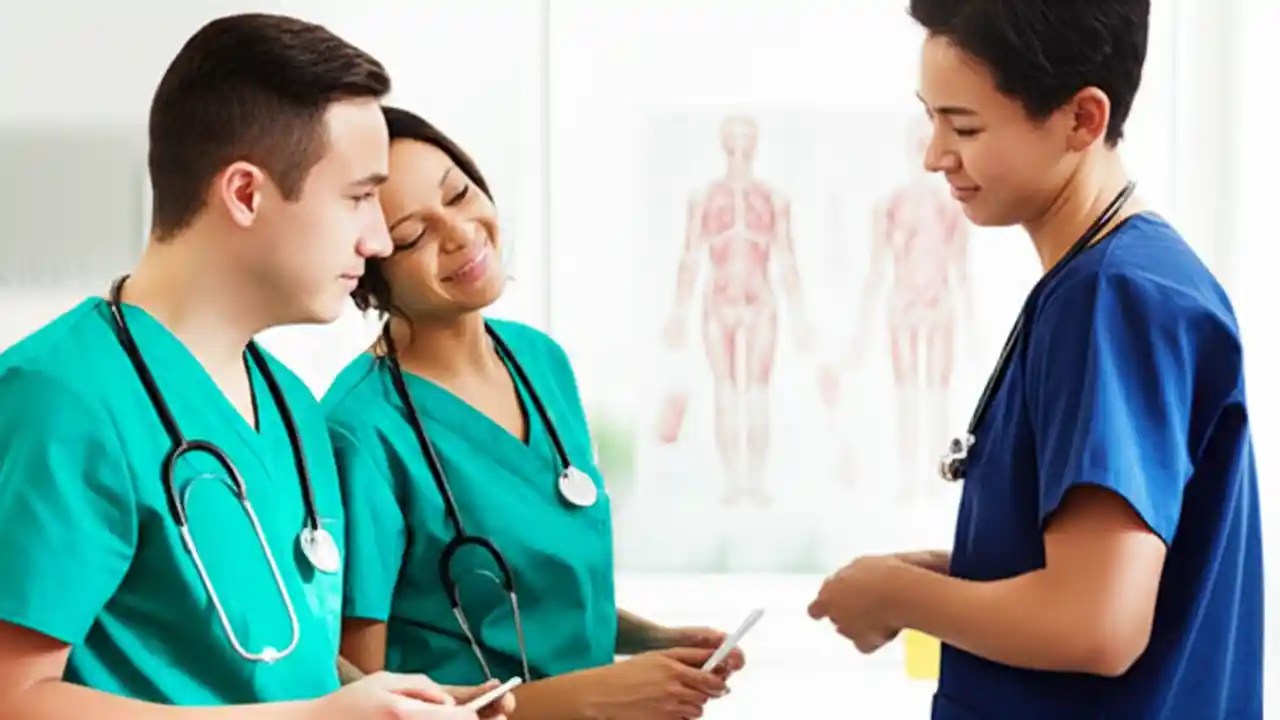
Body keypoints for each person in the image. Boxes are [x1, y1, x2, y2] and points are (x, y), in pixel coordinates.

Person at [0, 13, 501, 720]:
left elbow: (264, 653)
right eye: (359, 198)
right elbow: (13, 699)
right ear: (245, 193)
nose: (380, 238)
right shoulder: (62, 399)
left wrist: (380, 698)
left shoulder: (292, 407)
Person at [808, 1, 1263, 718]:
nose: (934, 155)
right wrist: (931, 577)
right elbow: (1118, 576)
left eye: (964, 126)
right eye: (930, 119)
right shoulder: (1117, 283)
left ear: (1083, 119)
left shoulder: (1115, 296)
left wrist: (898, 597)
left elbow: (1097, 625)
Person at [325, 105, 746, 720]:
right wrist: (591, 697)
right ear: (368, 266)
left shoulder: (539, 360)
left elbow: (532, 594)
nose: (461, 232)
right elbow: (365, 695)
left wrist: (652, 641)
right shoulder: (359, 431)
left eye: (460, 194)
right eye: (414, 235)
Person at [657, 115, 813, 508]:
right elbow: (690, 256)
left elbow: (787, 258)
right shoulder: (705, 199)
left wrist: (801, 318)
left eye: (746, 140)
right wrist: (677, 313)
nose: (740, 148)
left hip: (760, 299)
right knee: (726, 391)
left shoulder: (773, 198)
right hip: (719, 300)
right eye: (733, 140)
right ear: (723, 144)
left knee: (756, 392)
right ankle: (733, 482)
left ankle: (756, 481)